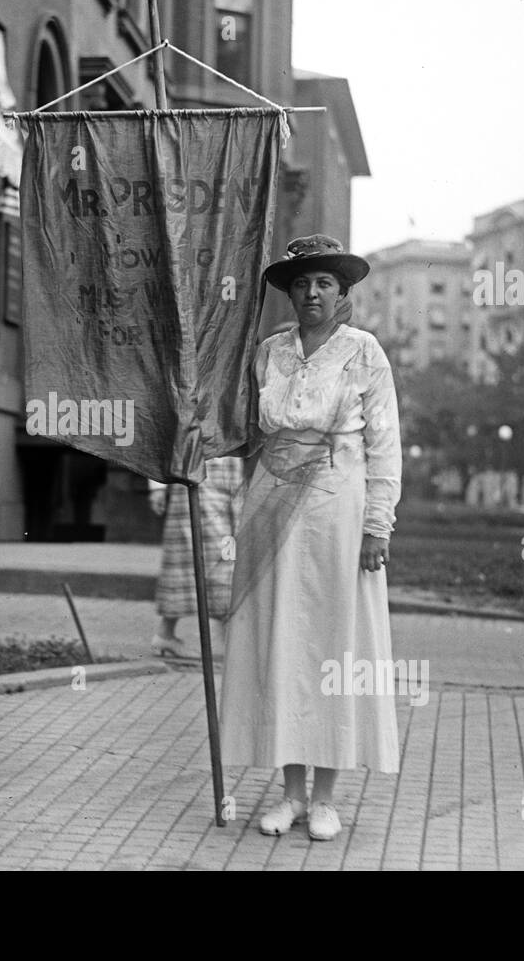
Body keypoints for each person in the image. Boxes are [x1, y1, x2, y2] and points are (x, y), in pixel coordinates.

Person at [219, 234, 402, 841]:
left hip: (336, 508)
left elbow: (384, 444)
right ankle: (290, 793)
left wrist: (376, 524)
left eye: (324, 282)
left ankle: (325, 797)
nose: (312, 293)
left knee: (331, 645)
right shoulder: (270, 353)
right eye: (301, 283)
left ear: (342, 291)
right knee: (281, 643)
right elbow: (244, 428)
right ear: (290, 293)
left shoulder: (363, 352)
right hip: (271, 505)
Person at [147, 457, 244, 657]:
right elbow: (161, 443)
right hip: (196, 477)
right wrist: (157, 487)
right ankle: (229, 639)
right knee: (211, 557)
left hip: (227, 474)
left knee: (221, 554)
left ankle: (166, 632)